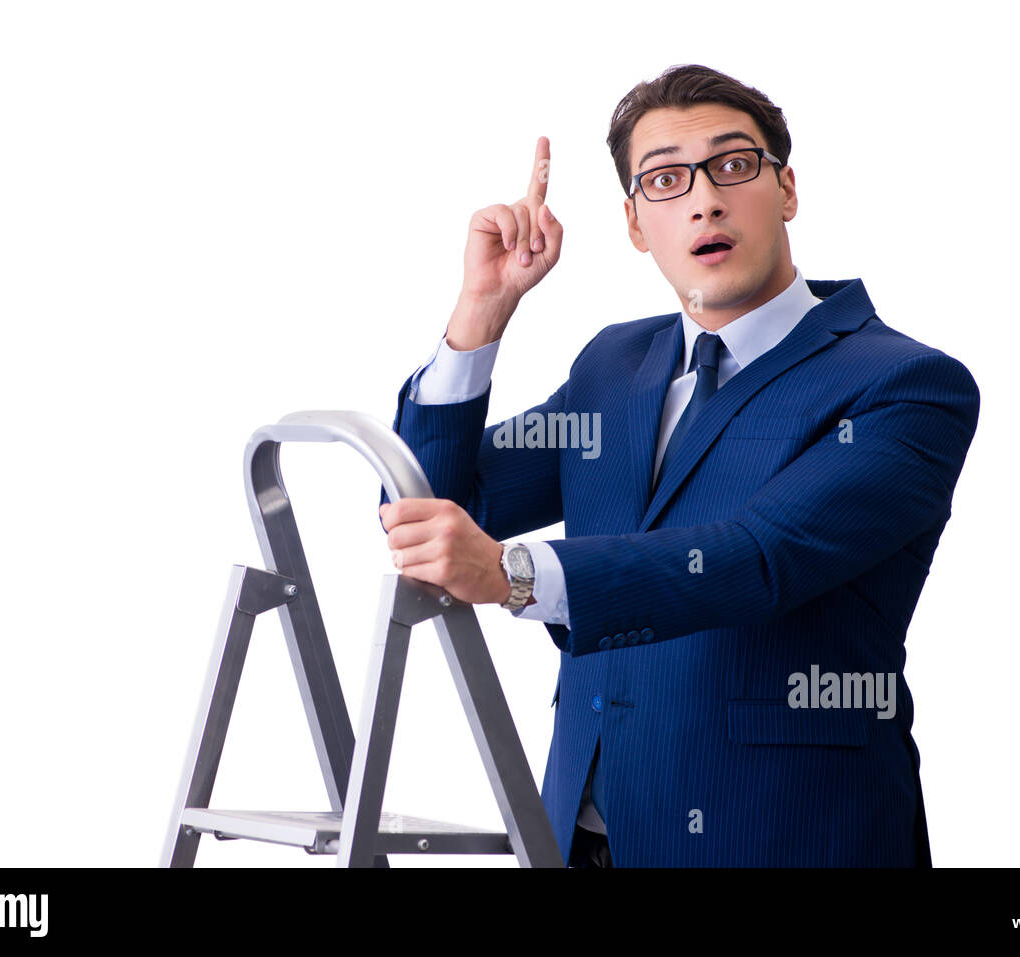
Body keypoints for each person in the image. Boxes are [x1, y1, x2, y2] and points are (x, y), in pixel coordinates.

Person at [378, 63, 980, 867]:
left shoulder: (904, 386)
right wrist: (480, 315)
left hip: (780, 836)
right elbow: (438, 509)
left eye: (734, 165)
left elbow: (758, 558)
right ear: (634, 223)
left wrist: (515, 574)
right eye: (666, 179)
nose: (704, 198)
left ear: (787, 188)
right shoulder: (615, 364)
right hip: (578, 833)